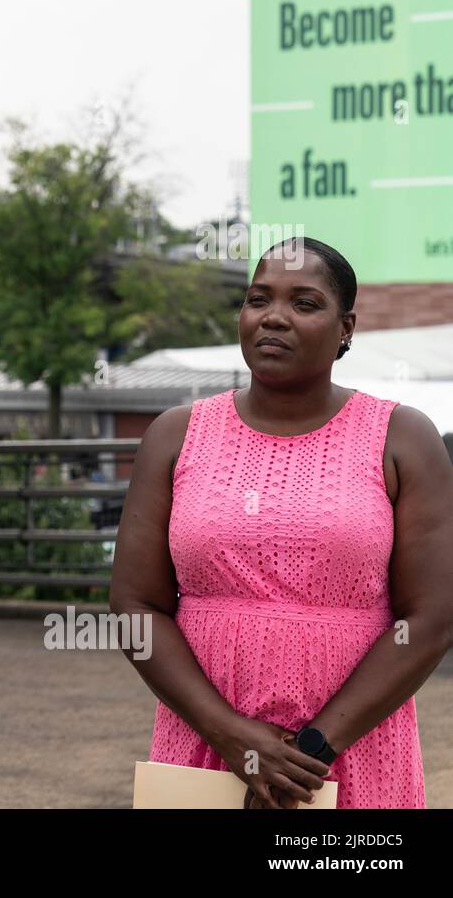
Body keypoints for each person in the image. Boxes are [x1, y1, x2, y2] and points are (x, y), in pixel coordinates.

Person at [110, 236, 453, 809]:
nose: (274, 317)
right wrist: (231, 735)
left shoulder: (402, 436)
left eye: (305, 303)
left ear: (346, 327)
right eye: (258, 299)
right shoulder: (174, 435)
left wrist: (311, 752)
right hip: (206, 738)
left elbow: (431, 618)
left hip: (352, 746)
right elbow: (134, 606)